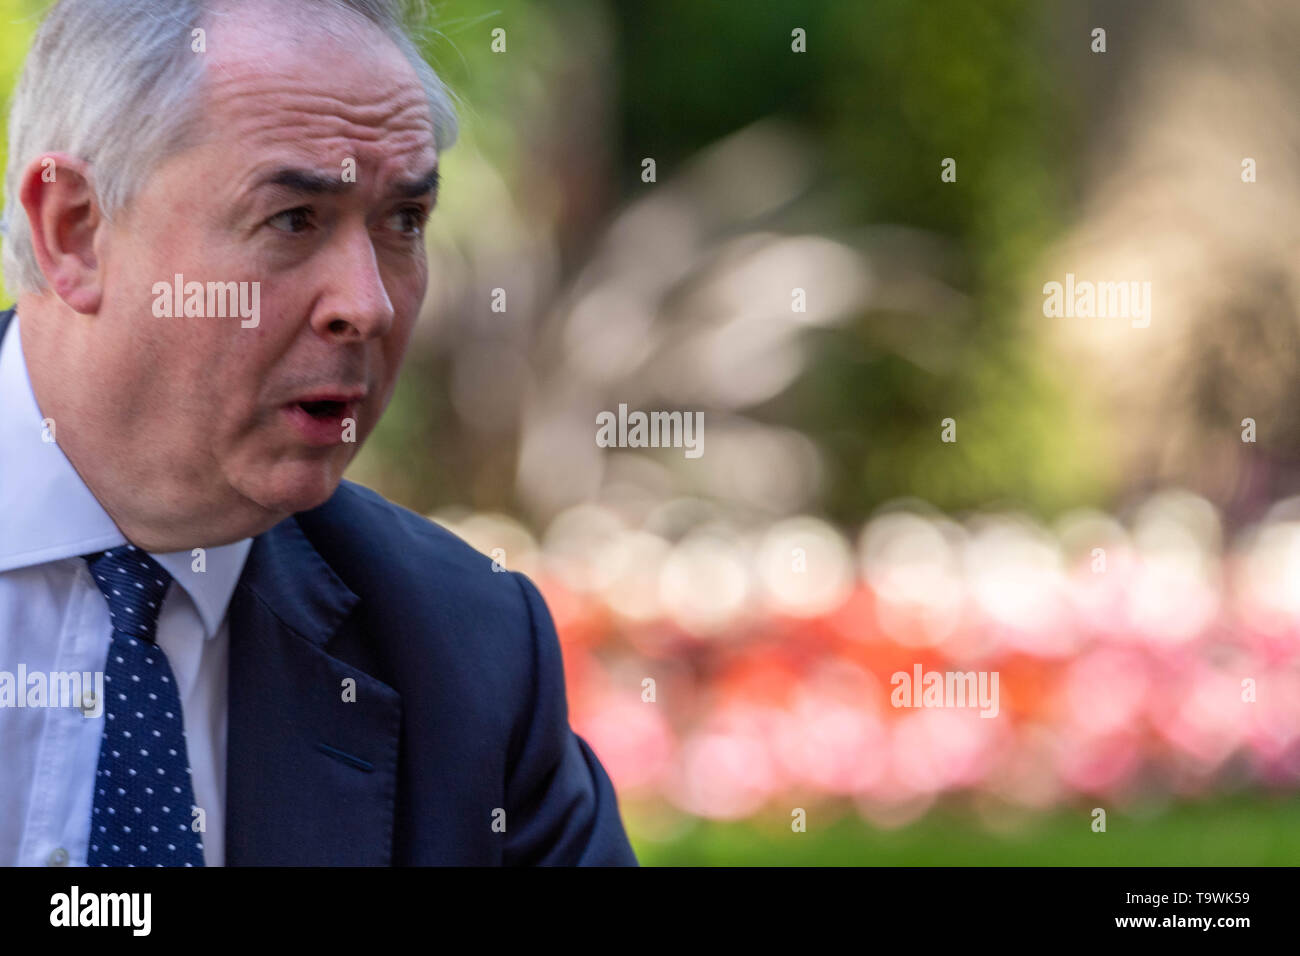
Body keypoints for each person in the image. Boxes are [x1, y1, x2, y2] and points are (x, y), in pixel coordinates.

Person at [0, 0, 637, 866]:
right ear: (75, 228)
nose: (367, 305)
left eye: (403, 223)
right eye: (294, 220)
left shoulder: (469, 653)